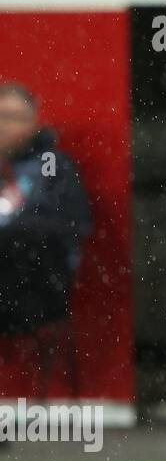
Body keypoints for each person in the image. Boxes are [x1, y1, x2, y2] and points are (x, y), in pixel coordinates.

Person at [0, 83, 92, 355]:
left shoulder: (54, 166)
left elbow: (70, 227)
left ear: (34, 123)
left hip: (34, 290)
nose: (4, 125)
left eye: (13, 117)